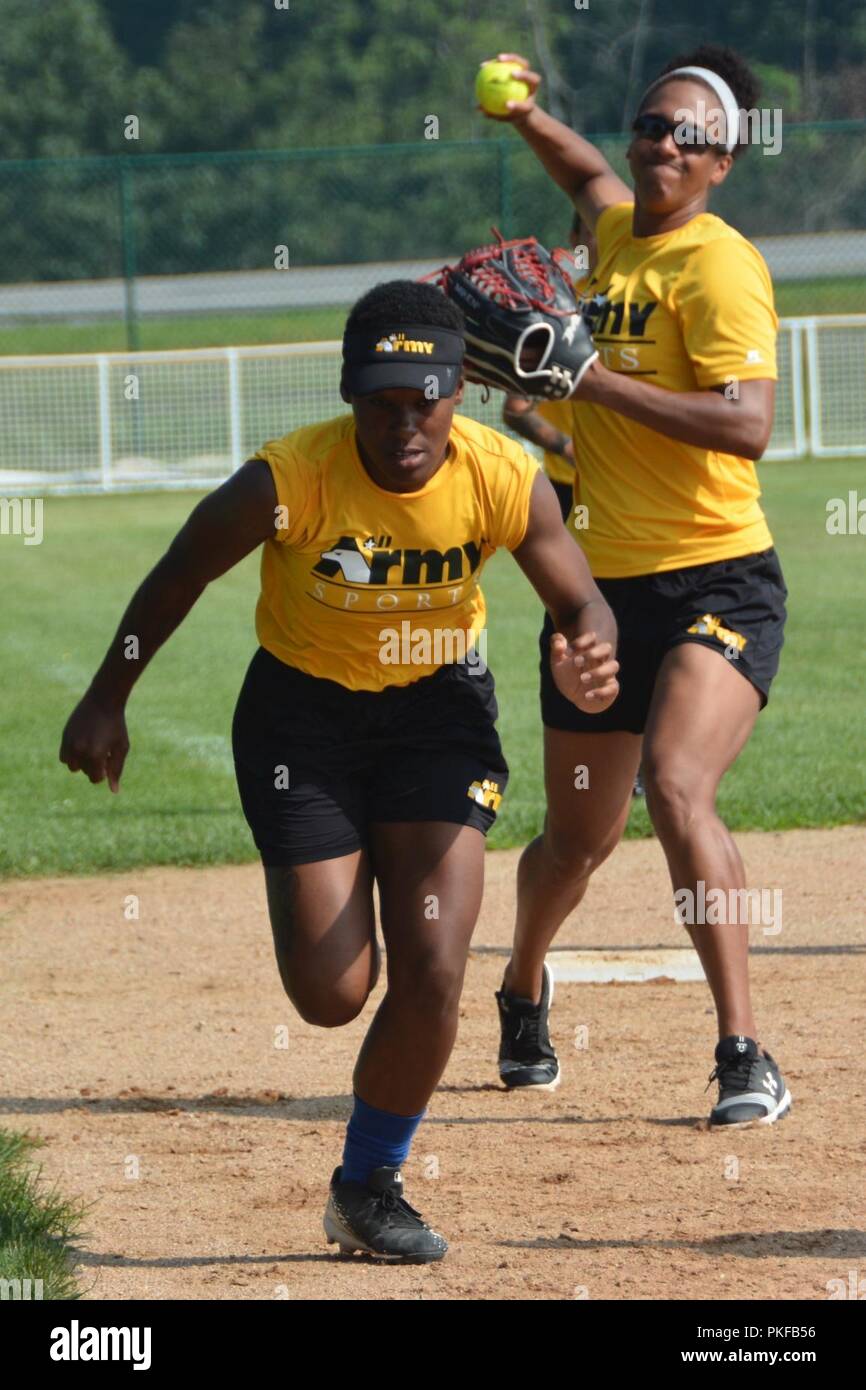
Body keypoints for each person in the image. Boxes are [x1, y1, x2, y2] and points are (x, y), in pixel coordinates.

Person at [59, 280, 619, 1262]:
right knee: (330, 991)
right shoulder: (288, 480)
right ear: (348, 392)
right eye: (381, 401)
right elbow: (180, 572)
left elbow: (580, 599)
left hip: (436, 720)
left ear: (461, 391)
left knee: (435, 967)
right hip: (301, 727)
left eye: (426, 400)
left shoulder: (501, 473)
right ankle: (350, 875)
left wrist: (590, 644)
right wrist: (108, 696)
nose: (404, 424)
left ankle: (367, 1185)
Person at [482, 43, 792, 1128]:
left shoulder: (716, 268)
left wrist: (586, 377)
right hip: (598, 594)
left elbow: (745, 424)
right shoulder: (613, 231)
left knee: (674, 784)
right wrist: (524, 114)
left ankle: (742, 1048)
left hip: (717, 576)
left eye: (687, 136)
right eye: (650, 126)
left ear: (720, 165)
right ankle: (521, 984)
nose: (661, 144)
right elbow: (582, 178)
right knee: (577, 838)